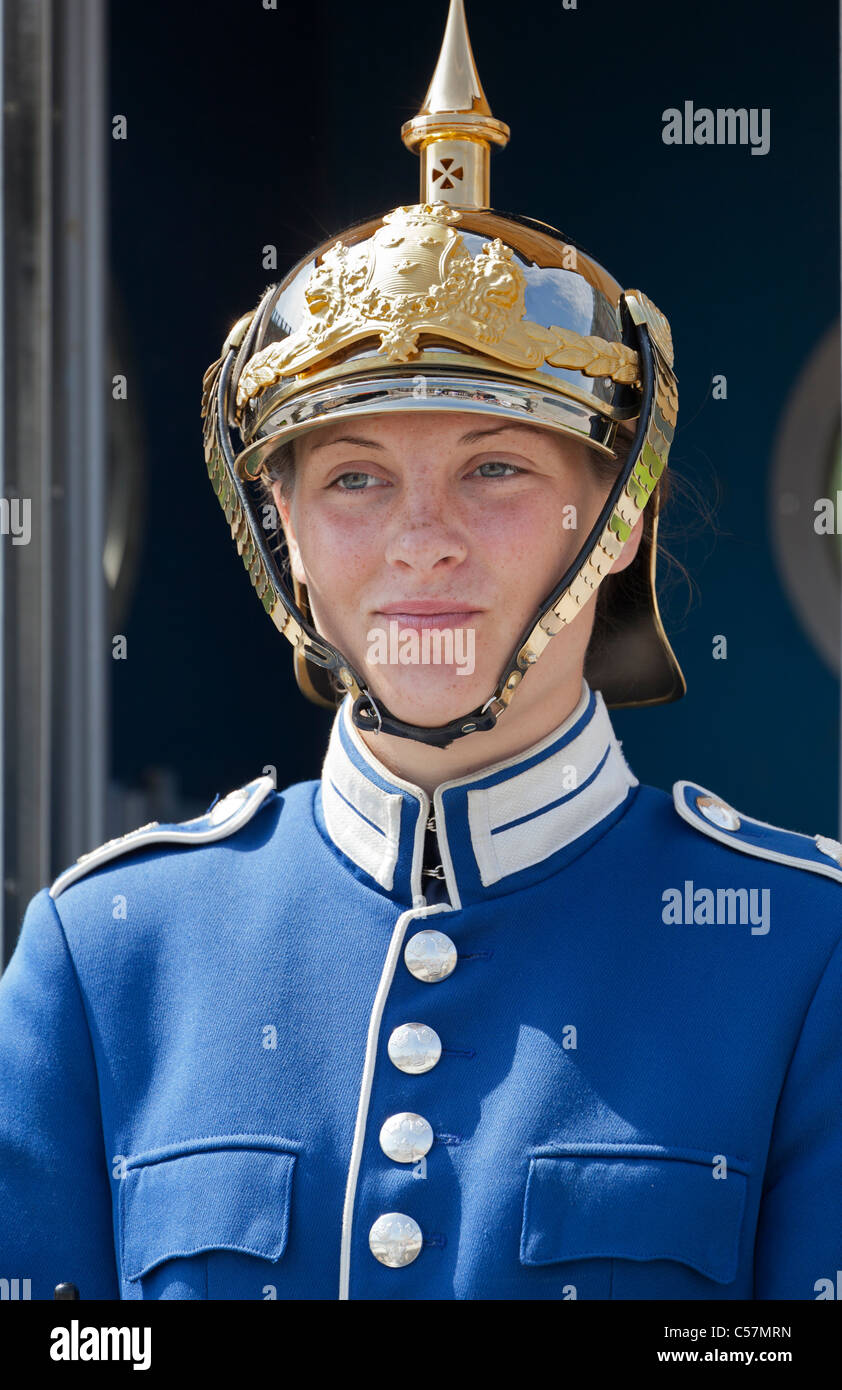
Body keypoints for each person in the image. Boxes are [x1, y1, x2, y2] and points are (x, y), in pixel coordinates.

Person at [1, 0, 840, 1303]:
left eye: (493, 467)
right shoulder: (104, 950)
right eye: (352, 478)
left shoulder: (805, 951)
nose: (419, 541)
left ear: (618, 519)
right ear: (278, 522)